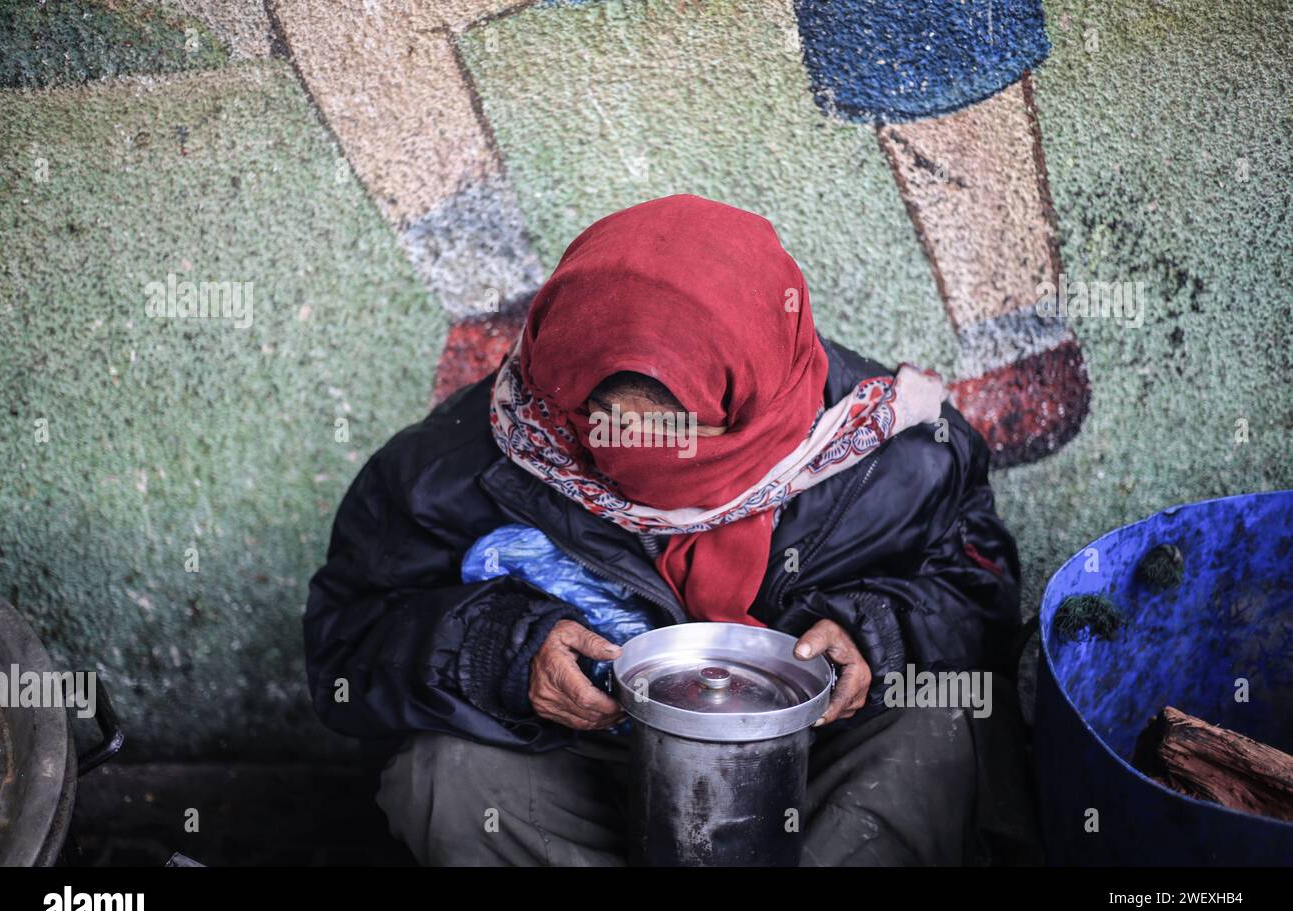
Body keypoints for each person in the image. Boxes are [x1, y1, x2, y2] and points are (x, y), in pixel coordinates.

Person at [304, 194, 1040, 866]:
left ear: (753, 391)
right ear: (562, 387)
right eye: (607, 427)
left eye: (683, 435)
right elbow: (346, 643)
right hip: (585, 761)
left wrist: (876, 639)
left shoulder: (903, 453)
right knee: (449, 776)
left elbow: (981, 598)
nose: (640, 465)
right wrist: (504, 653)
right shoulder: (457, 463)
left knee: (943, 727)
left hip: (809, 767)